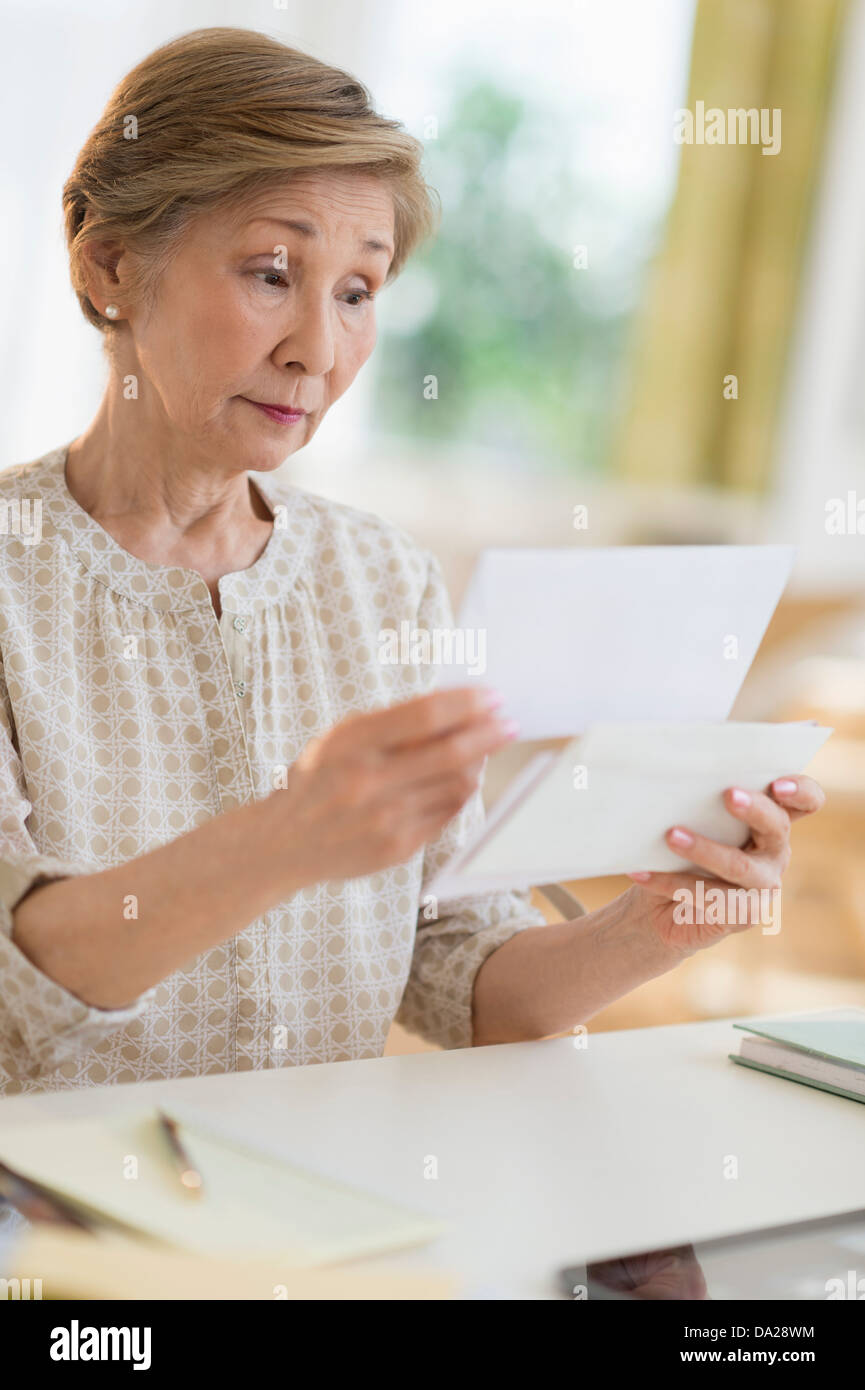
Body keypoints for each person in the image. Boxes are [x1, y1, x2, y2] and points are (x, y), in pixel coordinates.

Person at [0, 27, 823, 1097]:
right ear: (110, 264)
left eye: (356, 291)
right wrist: (288, 835)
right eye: (269, 273)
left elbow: (460, 978)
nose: (318, 349)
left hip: (335, 1233)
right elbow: (20, 986)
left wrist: (652, 926)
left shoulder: (385, 582)